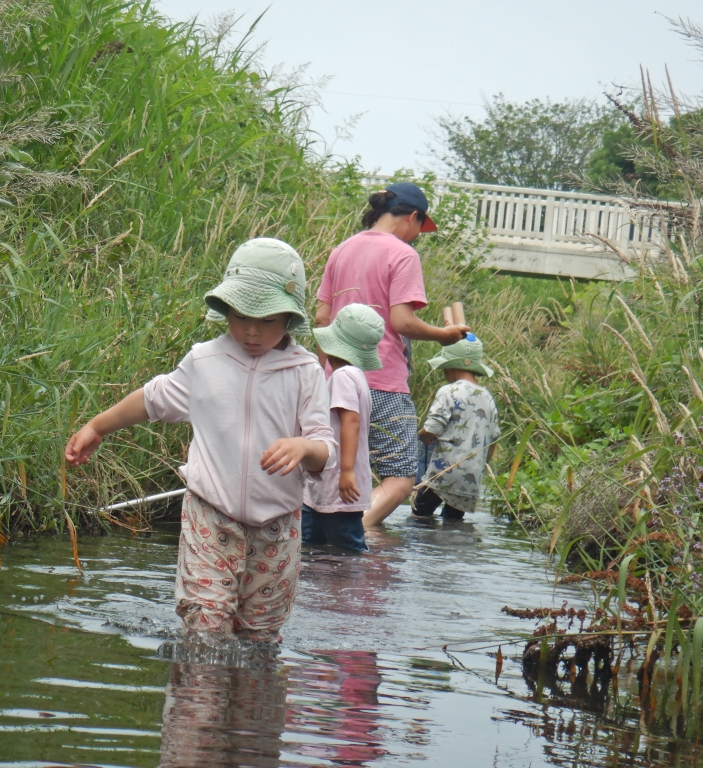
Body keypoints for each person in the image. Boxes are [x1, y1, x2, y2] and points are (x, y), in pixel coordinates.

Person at [65, 237, 337, 643]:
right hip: (211, 514)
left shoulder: (305, 371)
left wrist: (304, 448)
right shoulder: (204, 361)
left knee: (259, 636)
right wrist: (98, 427)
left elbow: (323, 449)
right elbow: (152, 399)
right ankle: (198, 701)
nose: (250, 330)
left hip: (277, 525)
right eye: (241, 315)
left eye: (266, 320)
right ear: (225, 308)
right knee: (206, 622)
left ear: (289, 317)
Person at [315, 182, 469, 528]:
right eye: (419, 228)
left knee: (333, 469)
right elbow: (401, 321)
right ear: (413, 217)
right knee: (399, 478)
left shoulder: (341, 249)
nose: (416, 236)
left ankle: (320, 541)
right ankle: (356, 532)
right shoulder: (402, 254)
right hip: (382, 380)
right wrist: (443, 335)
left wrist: (325, 372)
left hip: (334, 379)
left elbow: (322, 319)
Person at [302, 303, 385, 552]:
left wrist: (346, 470)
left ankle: (351, 588)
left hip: (339, 484)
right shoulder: (354, 375)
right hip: (325, 486)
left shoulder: (343, 377)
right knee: (309, 544)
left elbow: (351, 421)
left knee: (349, 549)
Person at [415, 335, 500, 520]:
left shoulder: (449, 391)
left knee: (419, 516)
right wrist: (480, 466)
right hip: (471, 478)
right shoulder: (488, 397)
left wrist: (421, 435)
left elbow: (432, 429)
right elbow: (493, 441)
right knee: (453, 523)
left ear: (451, 366)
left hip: (442, 473)